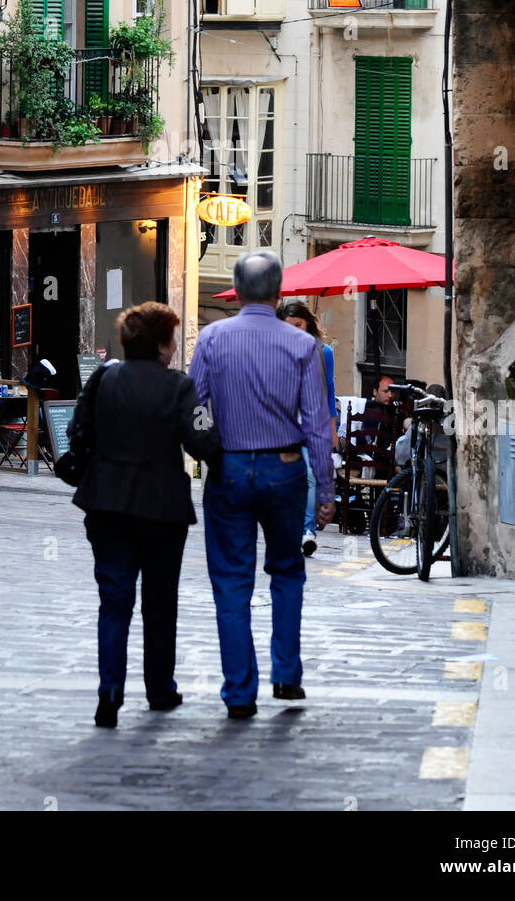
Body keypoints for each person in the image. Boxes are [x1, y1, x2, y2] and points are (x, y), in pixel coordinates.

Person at [189, 250, 335, 720]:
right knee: (287, 572)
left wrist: (208, 455)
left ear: (238, 287)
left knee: (231, 581)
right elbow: (316, 424)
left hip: (229, 469)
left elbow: (196, 411)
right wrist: (327, 492)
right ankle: (287, 675)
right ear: (278, 293)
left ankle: (238, 691)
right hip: (286, 469)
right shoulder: (301, 346)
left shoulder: (211, 338)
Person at [71, 302, 220, 729]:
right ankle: (159, 688)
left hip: (106, 504)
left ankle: (109, 692)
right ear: (160, 344)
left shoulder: (104, 376)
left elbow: (77, 430)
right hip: (162, 509)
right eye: (172, 339)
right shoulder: (179, 387)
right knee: (160, 602)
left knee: (114, 603)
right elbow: (201, 440)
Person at [276, 300, 337, 558]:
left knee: (311, 474)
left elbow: (329, 390)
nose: (295, 331)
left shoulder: (323, 352)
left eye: (299, 325)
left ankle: (308, 531)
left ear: (308, 324)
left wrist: (333, 429)